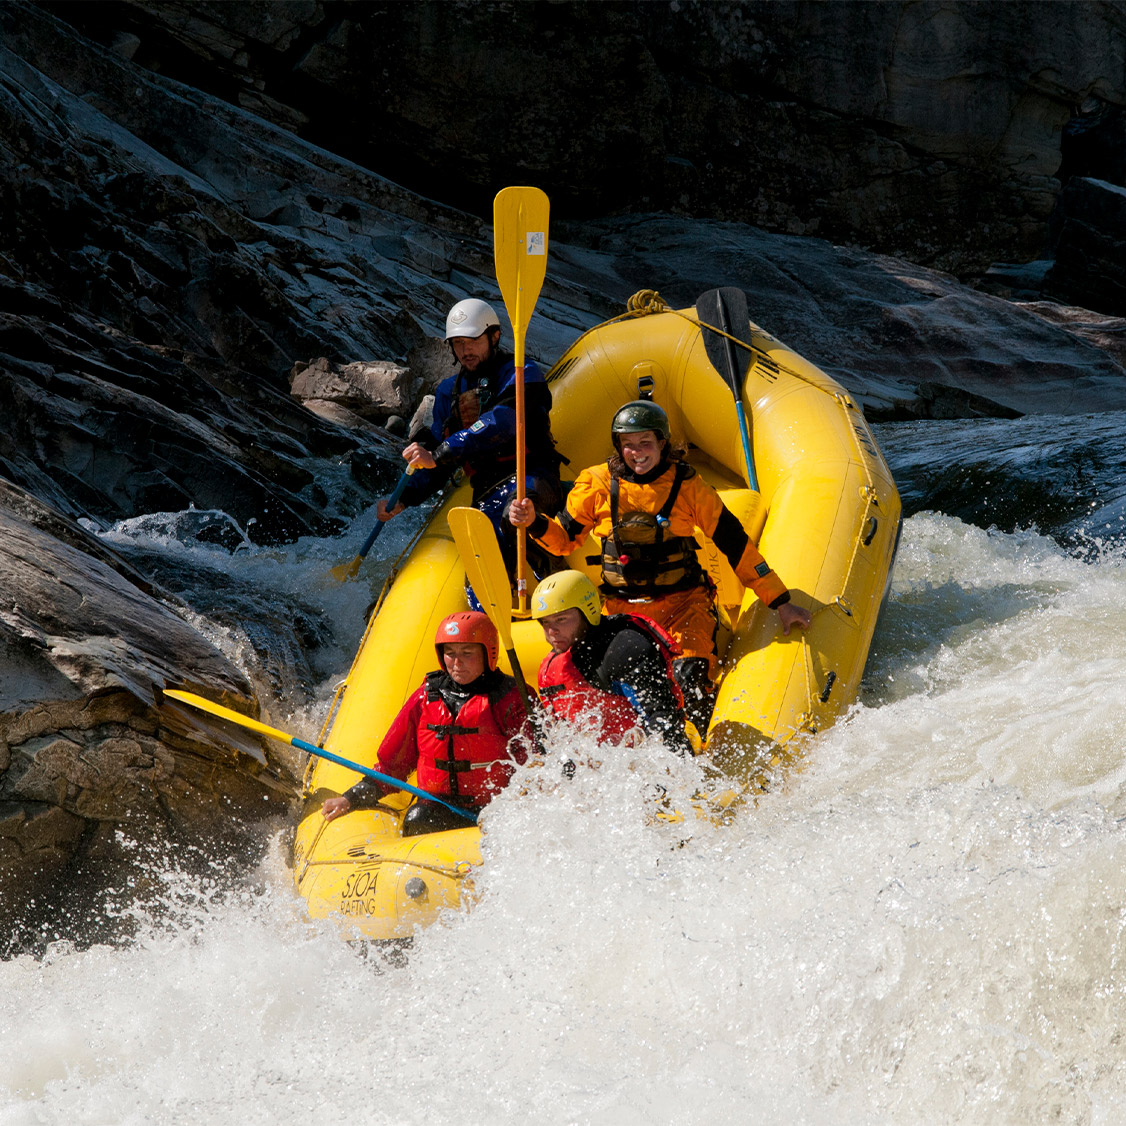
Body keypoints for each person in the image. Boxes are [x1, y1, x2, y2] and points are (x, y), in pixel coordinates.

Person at [509, 399, 811, 731]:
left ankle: (701, 746)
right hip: (621, 614)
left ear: (662, 443)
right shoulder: (595, 484)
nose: (636, 452)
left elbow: (735, 544)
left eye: (645, 443)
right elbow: (564, 539)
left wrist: (780, 601)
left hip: (684, 606)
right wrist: (534, 522)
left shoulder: (689, 486)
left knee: (688, 680)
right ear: (618, 446)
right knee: (620, 689)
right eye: (628, 445)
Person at [377, 297, 563, 580]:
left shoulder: (522, 372)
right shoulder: (448, 391)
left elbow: (503, 421)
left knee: (514, 519)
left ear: (494, 336)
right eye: (458, 343)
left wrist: (439, 454)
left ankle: (556, 591)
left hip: (531, 474)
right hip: (486, 488)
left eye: (473, 341)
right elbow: (437, 455)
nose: (465, 350)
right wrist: (405, 497)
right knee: (479, 555)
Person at [321, 612, 533, 835]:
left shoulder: (511, 698)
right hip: (441, 808)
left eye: (467, 653)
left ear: (488, 652)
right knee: (417, 819)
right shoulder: (426, 697)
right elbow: (391, 767)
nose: (457, 662)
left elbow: (534, 765)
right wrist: (350, 798)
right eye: (450, 654)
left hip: (496, 809)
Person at [530, 570, 691, 756]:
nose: (552, 631)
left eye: (561, 619)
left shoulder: (625, 648)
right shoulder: (554, 665)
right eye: (545, 622)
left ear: (588, 610)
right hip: (603, 764)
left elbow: (661, 719)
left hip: (643, 758)